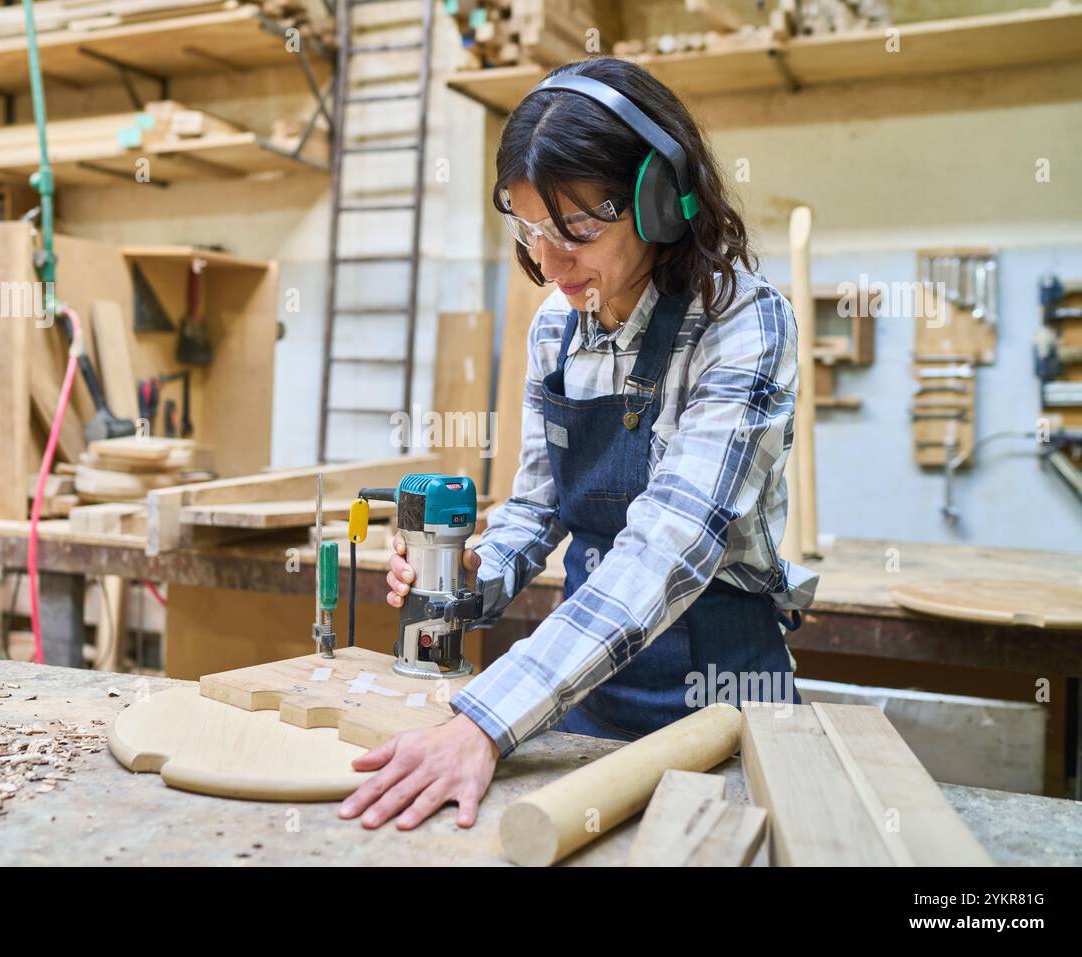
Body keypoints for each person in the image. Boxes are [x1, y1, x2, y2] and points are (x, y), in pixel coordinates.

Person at [337, 56, 818, 832]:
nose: (550, 264)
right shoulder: (557, 329)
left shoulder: (745, 326)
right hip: (582, 705)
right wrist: (467, 578)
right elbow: (534, 508)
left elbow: (668, 547)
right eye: (531, 230)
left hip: (727, 716)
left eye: (578, 232)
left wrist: (487, 718)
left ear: (660, 202)